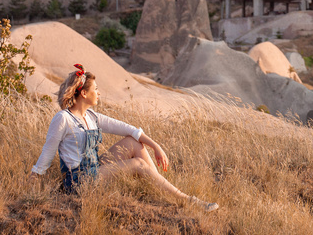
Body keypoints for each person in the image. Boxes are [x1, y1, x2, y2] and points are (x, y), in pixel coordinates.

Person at [29, 64, 216, 211]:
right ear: (84, 93)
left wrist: (156, 146)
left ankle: (161, 188)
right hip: (79, 182)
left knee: (133, 143)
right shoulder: (63, 118)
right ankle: (188, 200)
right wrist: (35, 175)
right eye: (96, 89)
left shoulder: (91, 116)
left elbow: (129, 130)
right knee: (138, 165)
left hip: (95, 170)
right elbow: (49, 149)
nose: (99, 92)